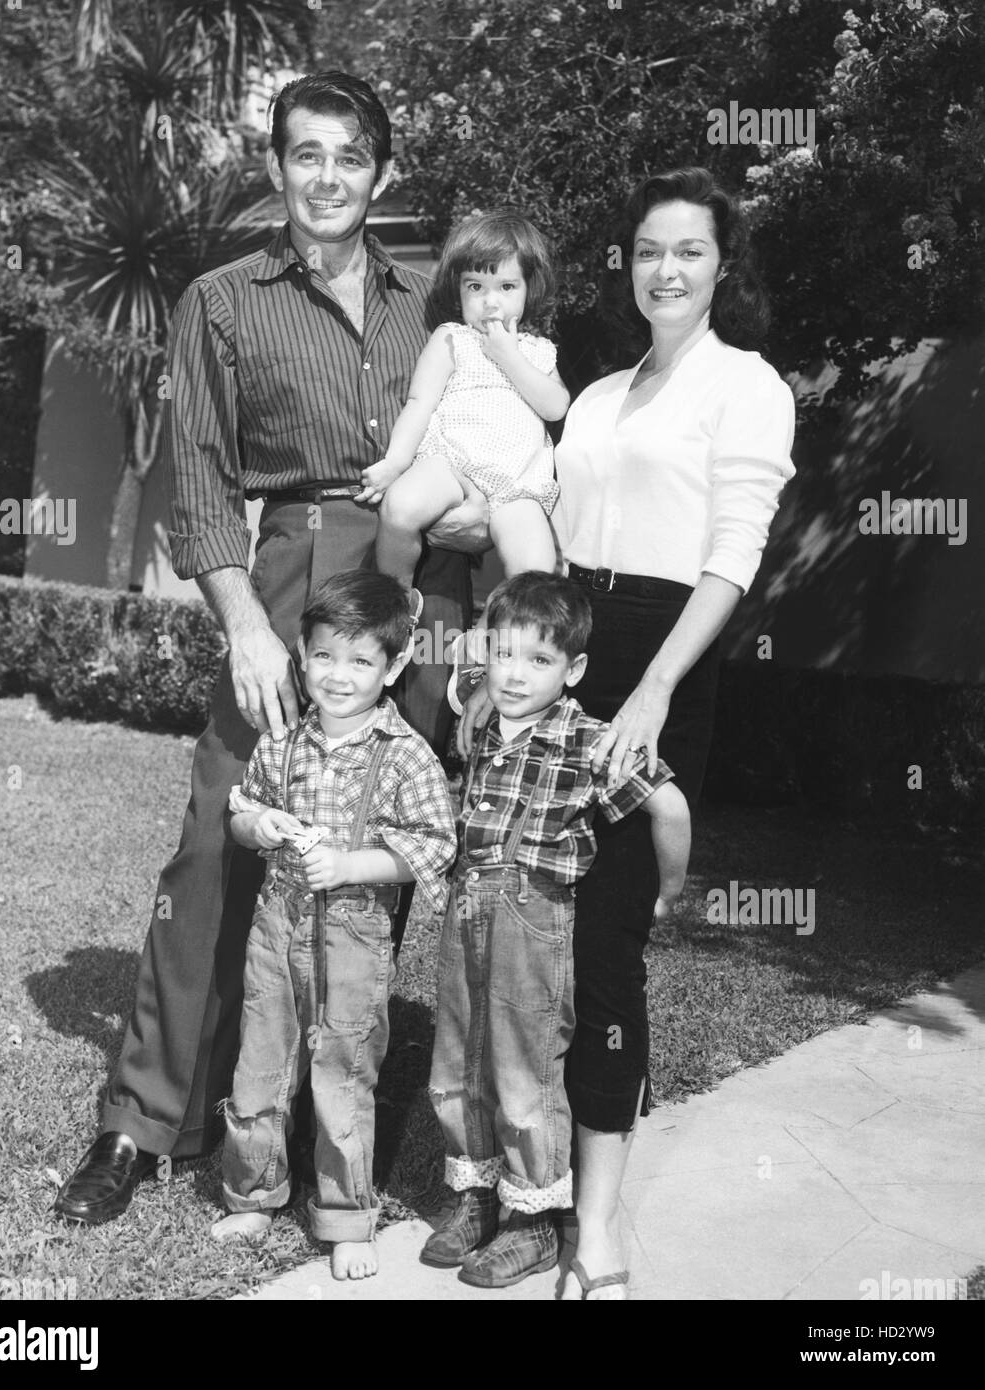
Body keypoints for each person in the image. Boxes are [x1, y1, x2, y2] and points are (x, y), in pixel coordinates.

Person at [54, 71, 486, 1226]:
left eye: (351, 156)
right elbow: (197, 471)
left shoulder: (430, 303)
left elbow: (501, 438)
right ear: (277, 167)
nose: (329, 176)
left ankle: (314, 1110)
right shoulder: (222, 299)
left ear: (380, 172)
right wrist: (245, 619)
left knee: (378, 851)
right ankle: (144, 1123)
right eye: (307, 154)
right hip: (290, 567)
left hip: (426, 583)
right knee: (216, 850)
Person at [460, 168, 796, 1299]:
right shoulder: (597, 394)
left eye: (689, 251)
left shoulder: (747, 388)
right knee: (524, 930)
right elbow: (537, 515)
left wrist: (649, 692)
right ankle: (520, 1182)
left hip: (661, 661)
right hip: (566, 652)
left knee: (603, 947)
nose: (665, 269)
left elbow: (732, 560)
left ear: (720, 266)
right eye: (649, 249)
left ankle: (595, 1229)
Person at [424, 572, 689, 1289]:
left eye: (538, 661)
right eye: (503, 654)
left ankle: (532, 1219)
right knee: (460, 1055)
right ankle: (474, 1197)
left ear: (572, 670)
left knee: (524, 1070)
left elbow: (669, 807)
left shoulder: (589, 739)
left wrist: (666, 892)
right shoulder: (479, 724)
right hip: (468, 910)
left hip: (536, 921)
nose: (514, 674)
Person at [211, 572, 456, 1280]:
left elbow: (434, 846)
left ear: (394, 666)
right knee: (260, 1064)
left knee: (342, 1074)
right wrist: (262, 824)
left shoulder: (406, 754)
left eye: (360, 662)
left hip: (353, 938)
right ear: (300, 652)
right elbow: (243, 813)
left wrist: (352, 863)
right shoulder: (282, 741)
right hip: (276, 925)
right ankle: (252, 1193)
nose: (338, 676)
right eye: (323, 657)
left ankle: (346, 1216)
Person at [356, 211, 570, 711]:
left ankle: (484, 645)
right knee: (402, 507)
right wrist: (394, 463)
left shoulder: (537, 351)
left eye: (505, 285)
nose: (489, 300)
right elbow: (419, 404)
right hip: (453, 461)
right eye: (476, 285)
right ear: (458, 290)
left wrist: (508, 354)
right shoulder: (451, 338)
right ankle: (395, 606)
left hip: (517, 484)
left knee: (534, 574)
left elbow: (556, 406)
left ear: (528, 290)